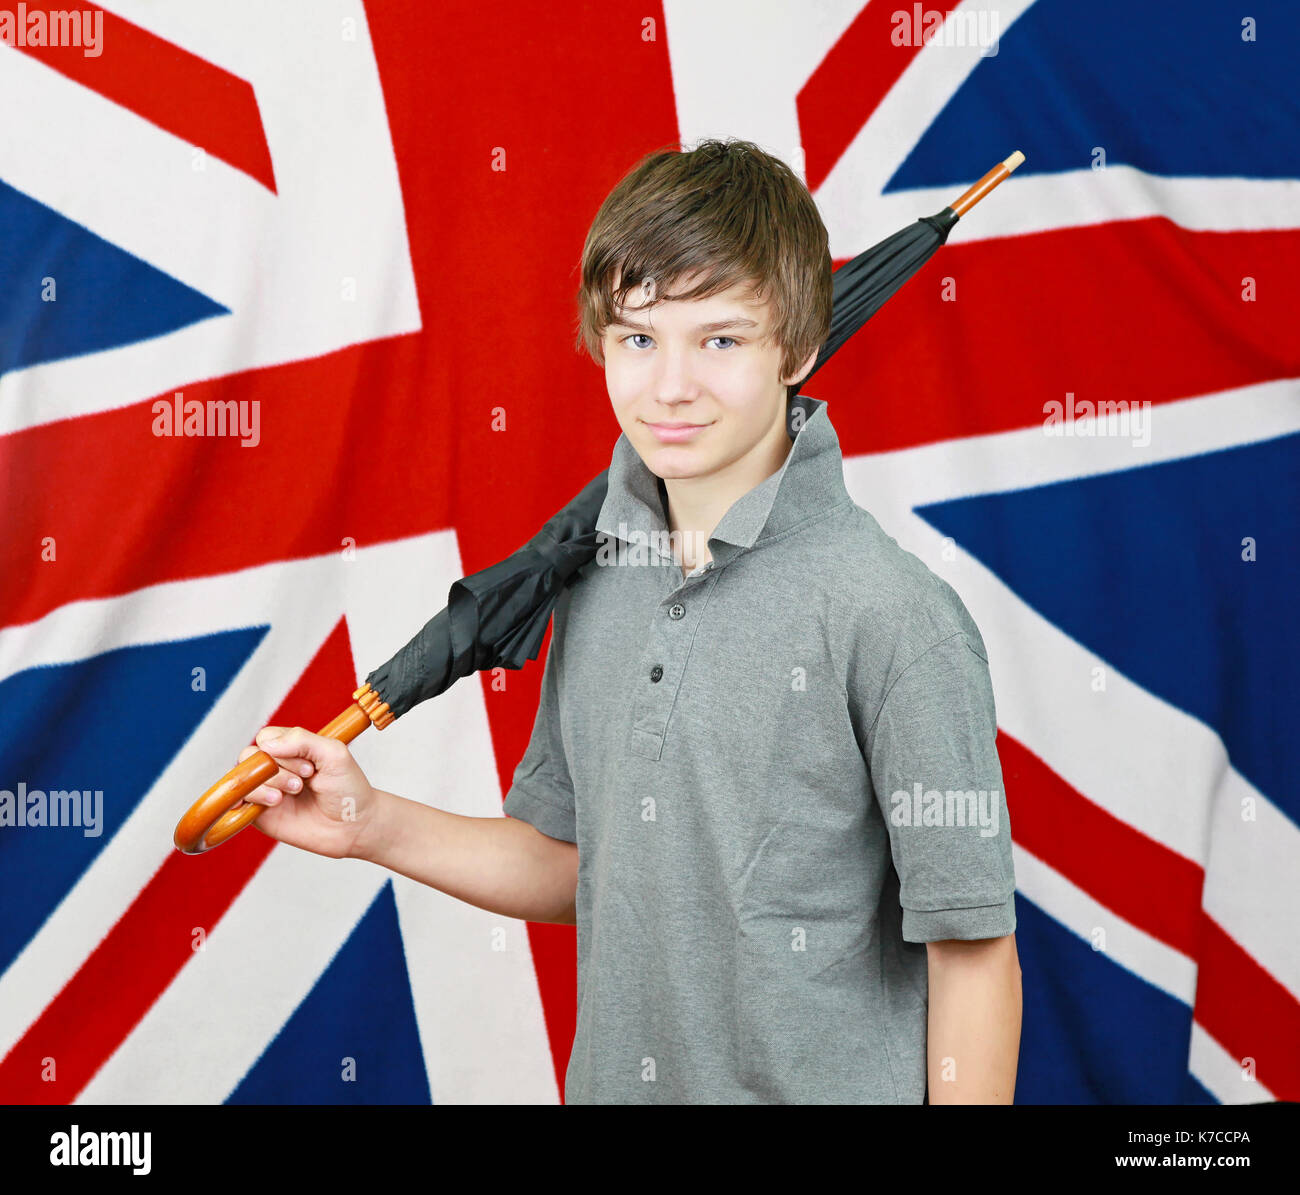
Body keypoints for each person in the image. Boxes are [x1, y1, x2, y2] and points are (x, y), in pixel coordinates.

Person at [238, 137, 1022, 1104]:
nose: (672, 386)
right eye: (639, 338)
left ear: (801, 347)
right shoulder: (599, 582)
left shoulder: (896, 619)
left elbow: (973, 956)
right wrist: (372, 823)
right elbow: (580, 863)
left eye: (722, 339)